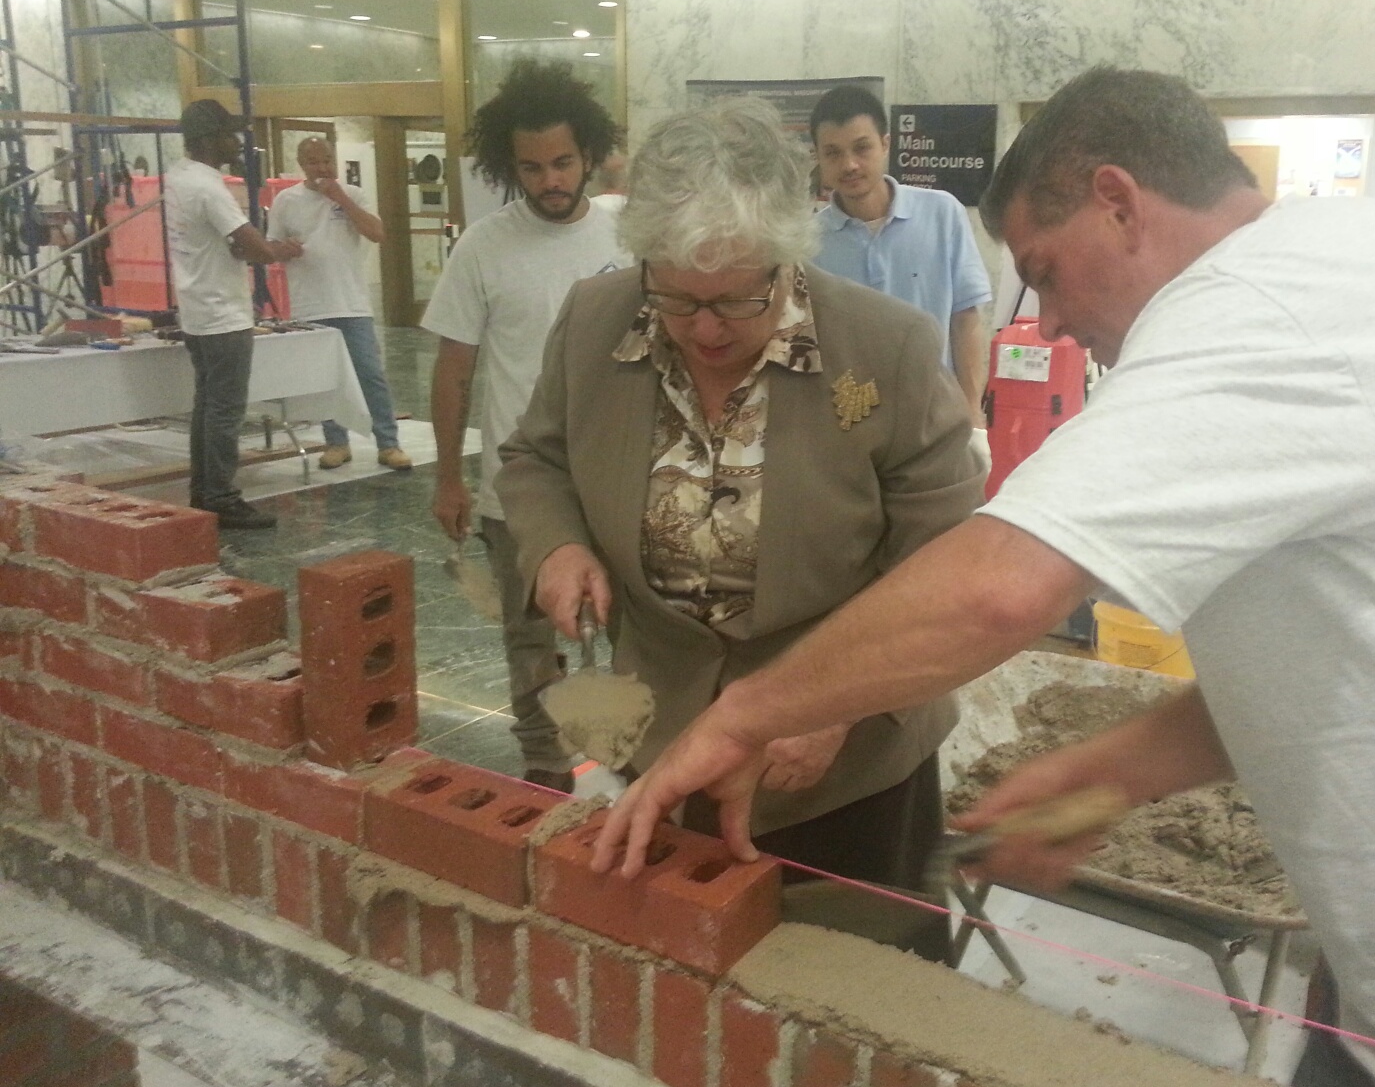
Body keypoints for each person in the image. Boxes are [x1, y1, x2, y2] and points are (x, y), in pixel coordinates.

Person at [596, 68, 1375, 1087]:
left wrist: (743, 716)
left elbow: (1000, 586)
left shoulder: (1270, 305)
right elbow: (1362, 652)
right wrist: (1118, 771)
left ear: (1119, 202)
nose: (1043, 324)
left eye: (1044, 273)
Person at [494, 97, 982, 920]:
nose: (705, 330)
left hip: (845, 773)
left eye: (738, 301)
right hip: (665, 736)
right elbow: (535, 459)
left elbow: (946, 562)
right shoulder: (594, 321)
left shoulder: (884, 348)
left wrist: (836, 700)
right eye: (678, 300)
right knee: (676, 987)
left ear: (789, 257)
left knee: (852, 1000)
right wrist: (555, 547)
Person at [422, 60, 627, 792]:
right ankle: (544, 769)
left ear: (590, 154)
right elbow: (453, 370)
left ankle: (634, 763)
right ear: (510, 167)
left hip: (618, 475)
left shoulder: (626, 235)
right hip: (516, 487)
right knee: (530, 636)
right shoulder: (483, 246)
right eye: (533, 167)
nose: (550, 181)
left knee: (633, 627)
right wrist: (449, 477)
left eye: (563, 162)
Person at [808, 85, 992, 428]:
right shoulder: (807, 242)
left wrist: (972, 410)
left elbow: (965, 317)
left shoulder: (942, 213)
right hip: (851, 426)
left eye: (862, 148)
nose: (849, 164)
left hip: (936, 415)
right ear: (817, 157)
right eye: (833, 153)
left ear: (886, 144)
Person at [166, 99, 303, 530]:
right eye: (228, 134)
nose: (235, 142)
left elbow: (229, 242)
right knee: (225, 411)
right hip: (224, 314)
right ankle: (222, 497)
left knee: (207, 407)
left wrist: (243, 246)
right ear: (209, 139)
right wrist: (284, 249)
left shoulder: (177, 178)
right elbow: (256, 247)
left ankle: (203, 490)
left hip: (196, 310)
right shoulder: (209, 187)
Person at [267, 137, 410, 473]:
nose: (323, 168)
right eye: (315, 162)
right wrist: (283, 250)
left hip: (353, 304)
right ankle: (336, 442)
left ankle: (389, 444)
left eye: (328, 160)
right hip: (311, 305)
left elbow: (377, 233)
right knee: (327, 378)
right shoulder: (286, 201)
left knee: (370, 375)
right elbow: (270, 248)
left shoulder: (352, 195)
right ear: (302, 164)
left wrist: (340, 198)